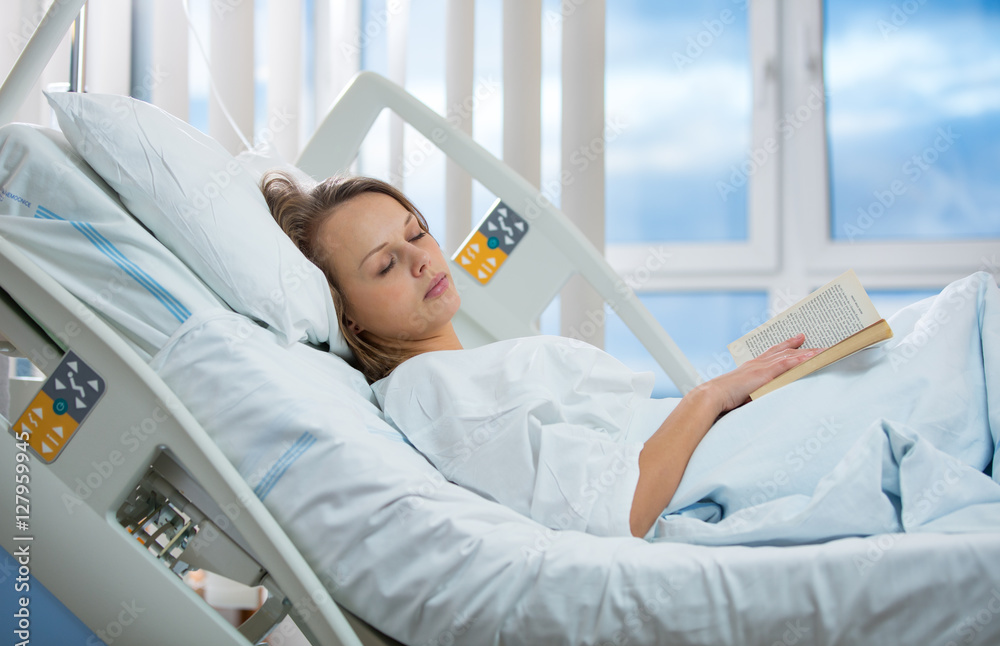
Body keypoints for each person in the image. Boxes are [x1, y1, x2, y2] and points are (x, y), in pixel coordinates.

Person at [261, 171, 1000, 545]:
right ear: (346, 314)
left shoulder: (457, 371)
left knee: (942, 329)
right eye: (385, 264)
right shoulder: (428, 392)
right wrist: (709, 397)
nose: (423, 259)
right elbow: (620, 509)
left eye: (416, 231)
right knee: (964, 331)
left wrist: (732, 392)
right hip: (709, 468)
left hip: (717, 440)